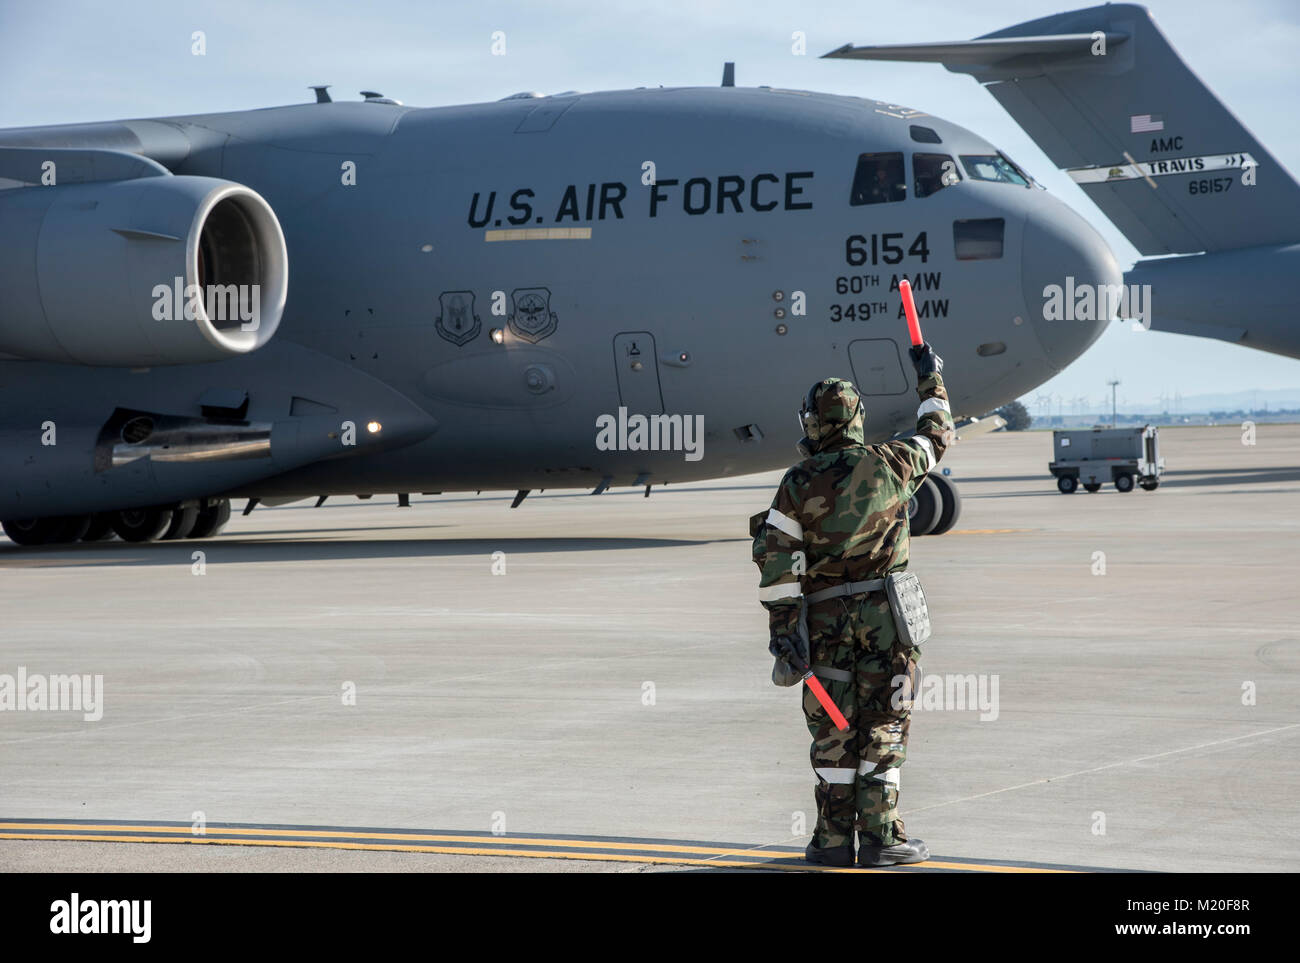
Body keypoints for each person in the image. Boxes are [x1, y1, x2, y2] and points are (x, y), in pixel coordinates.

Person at [752, 342, 954, 867]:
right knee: (885, 720)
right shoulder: (893, 462)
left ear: (813, 424)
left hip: (821, 627)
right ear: (858, 419)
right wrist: (930, 377)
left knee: (834, 727)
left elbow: (778, 564)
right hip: (888, 622)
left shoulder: (796, 484)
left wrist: (782, 632)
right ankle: (884, 839)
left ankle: (832, 842)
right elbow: (938, 435)